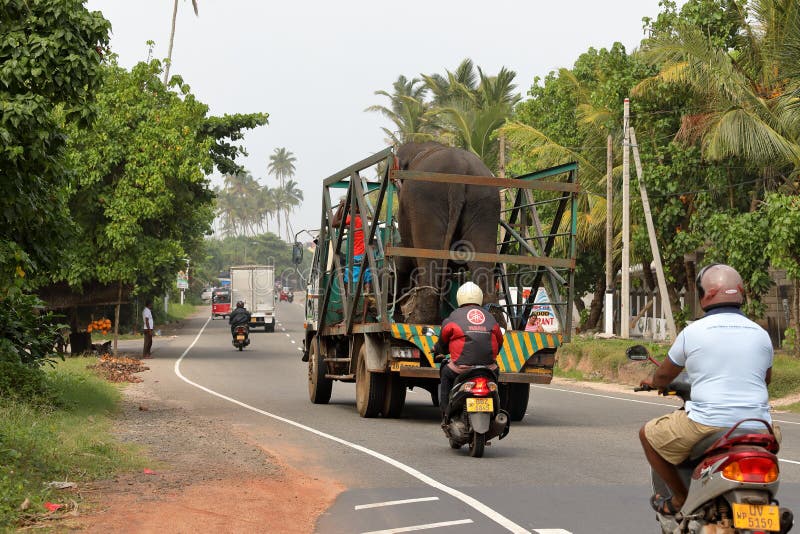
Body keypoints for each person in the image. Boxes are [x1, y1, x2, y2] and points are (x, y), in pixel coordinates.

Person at [638, 263, 775, 516]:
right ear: (741, 292)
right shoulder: (761, 333)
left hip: (707, 423)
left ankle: (679, 498)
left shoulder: (693, 332)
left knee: (647, 435)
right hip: (760, 425)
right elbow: (765, 379)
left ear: (705, 295)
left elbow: (665, 375)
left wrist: (654, 382)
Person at [433, 281, 503, 420]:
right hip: (488, 368)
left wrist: (438, 349)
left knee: (445, 372)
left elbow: (443, 340)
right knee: (495, 376)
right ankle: (497, 410)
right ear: (480, 297)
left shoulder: (453, 316)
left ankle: (446, 413)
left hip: (461, 369)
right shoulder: (490, 317)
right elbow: (500, 341)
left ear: (459, 297)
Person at [332, 198, 372, 294]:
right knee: (366, 283)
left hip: (357, 255)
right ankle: (365, 309)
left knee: (346, 279)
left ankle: (347, 302)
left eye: (351, 207)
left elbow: (334, 223)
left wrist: (341, 206)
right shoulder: (364, 218)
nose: (349, 209)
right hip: (368, 255)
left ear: (357, 208)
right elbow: (341, 220)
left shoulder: (353, 218)